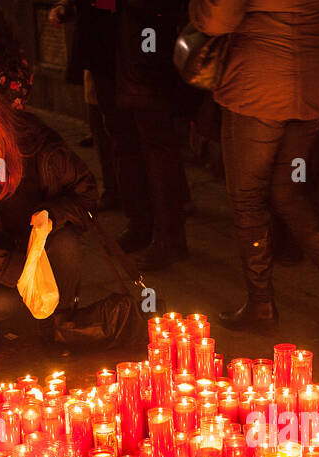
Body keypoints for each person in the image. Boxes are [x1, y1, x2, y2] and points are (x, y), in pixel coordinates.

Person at [188, 0, 319, 331]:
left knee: (248, 197)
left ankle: (261, 305)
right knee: (290, 195)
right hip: (312, 90)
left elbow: (215, 19)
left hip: (257, 88)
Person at [0, 83, 124, 351]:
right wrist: (14, 269)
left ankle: (60, 321)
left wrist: (54, 213)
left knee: (66, 244)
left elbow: (86, 195)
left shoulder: (40, 149)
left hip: (41, 247)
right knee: (1, 303)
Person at [109, 0, 190, 272]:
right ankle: (142, 224)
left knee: (159, 151)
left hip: (148, 58)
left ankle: (169, 236)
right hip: (125, 53)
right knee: (129, 144)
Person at [50, 0, 120, 209]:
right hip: (99, 57)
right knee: (101, 127)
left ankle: (122, 192)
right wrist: (66, 7)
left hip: (112, 54)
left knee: (120, 133)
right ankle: (115, 190)